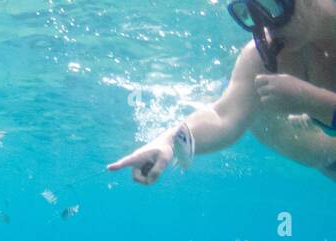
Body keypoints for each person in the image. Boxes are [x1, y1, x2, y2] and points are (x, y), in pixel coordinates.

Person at [108, 0, 336, 183]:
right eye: (249, 13)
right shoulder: (263, 56)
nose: (267, 25)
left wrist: (310, 101)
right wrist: (167, 141)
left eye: (272, 6)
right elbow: (222, 116)